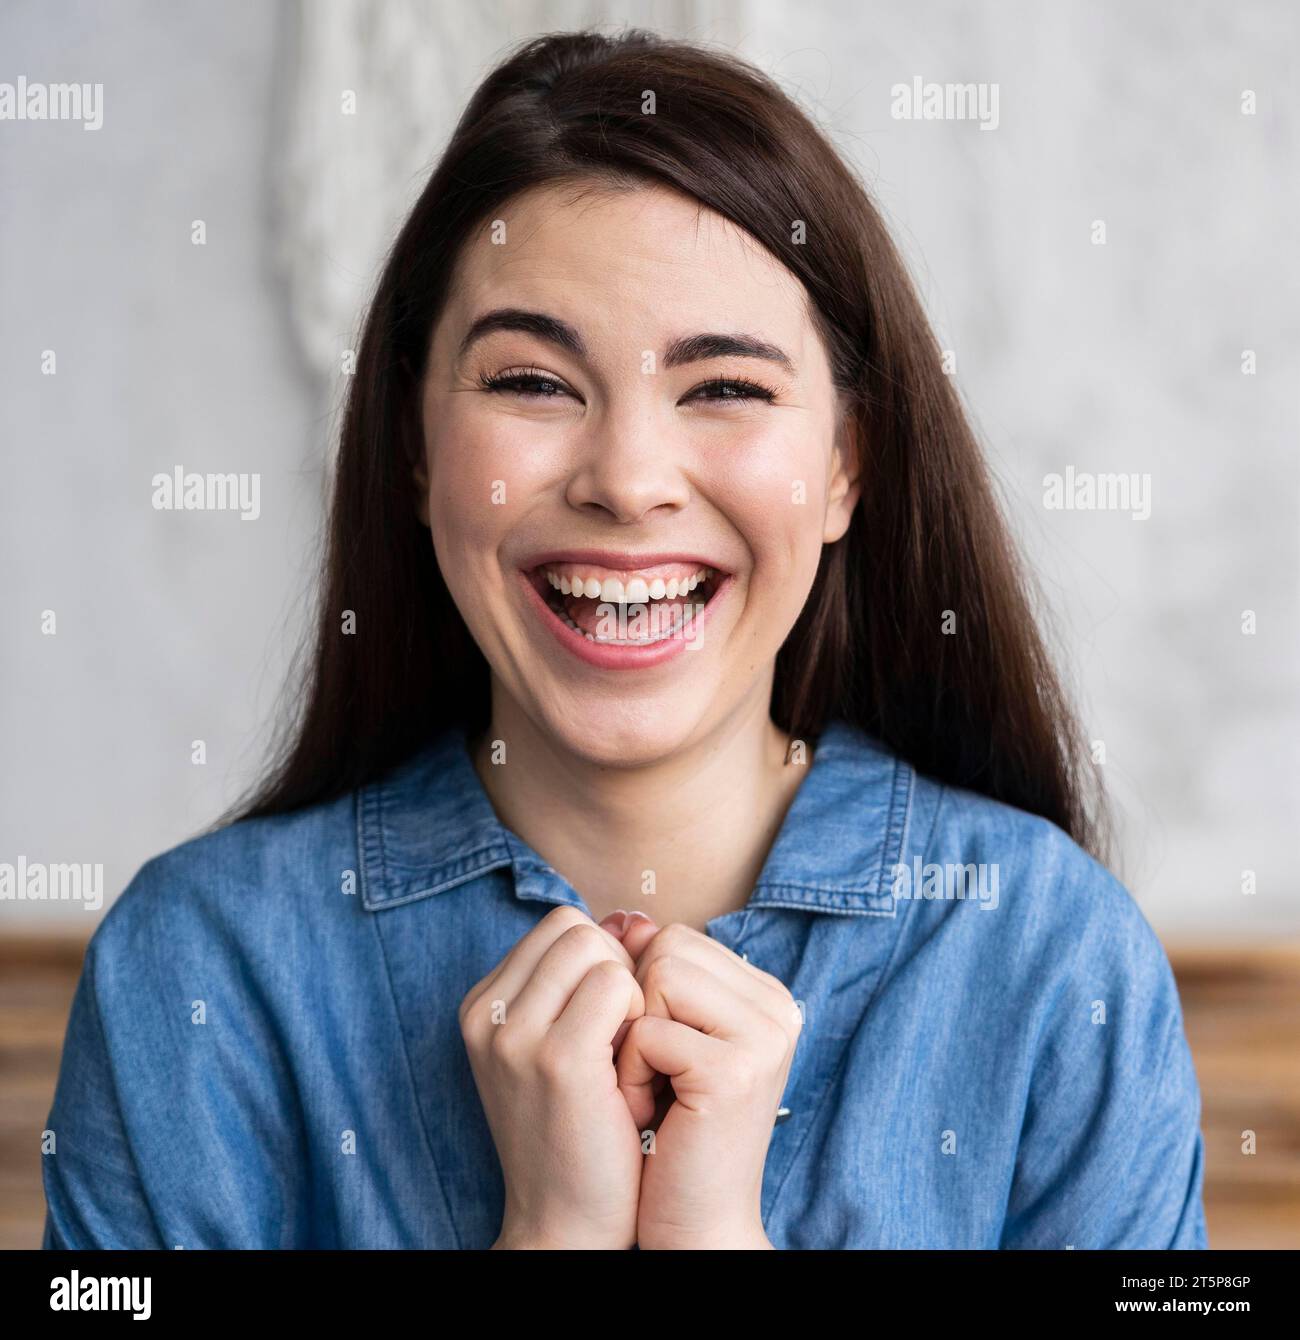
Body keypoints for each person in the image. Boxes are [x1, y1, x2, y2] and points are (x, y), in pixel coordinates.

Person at [42, 27, 1207, 1250]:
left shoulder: (1052, 954)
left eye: (725, 388)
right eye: (533, 382)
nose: (629, 479)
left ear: (845, 464)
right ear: (414, 445)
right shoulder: (195, 969)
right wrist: (549, 1231)